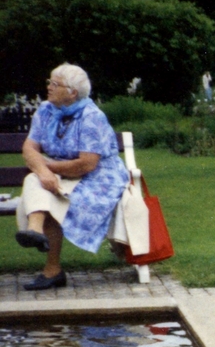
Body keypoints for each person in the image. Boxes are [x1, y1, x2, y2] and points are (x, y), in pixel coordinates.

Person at [15, 64, 129, 291]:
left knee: (43, 190)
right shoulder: (46, 110)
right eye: (49, 81)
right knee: (36, 181)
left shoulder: (91, 117)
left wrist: (47, 167)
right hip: (63, 174)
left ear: (72, 93)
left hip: (97, 179)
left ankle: (52, 269)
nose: (48, 87)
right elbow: (29, 148)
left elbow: (86, 164)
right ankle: (35, 232)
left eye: (54, 84)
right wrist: (44, 171)